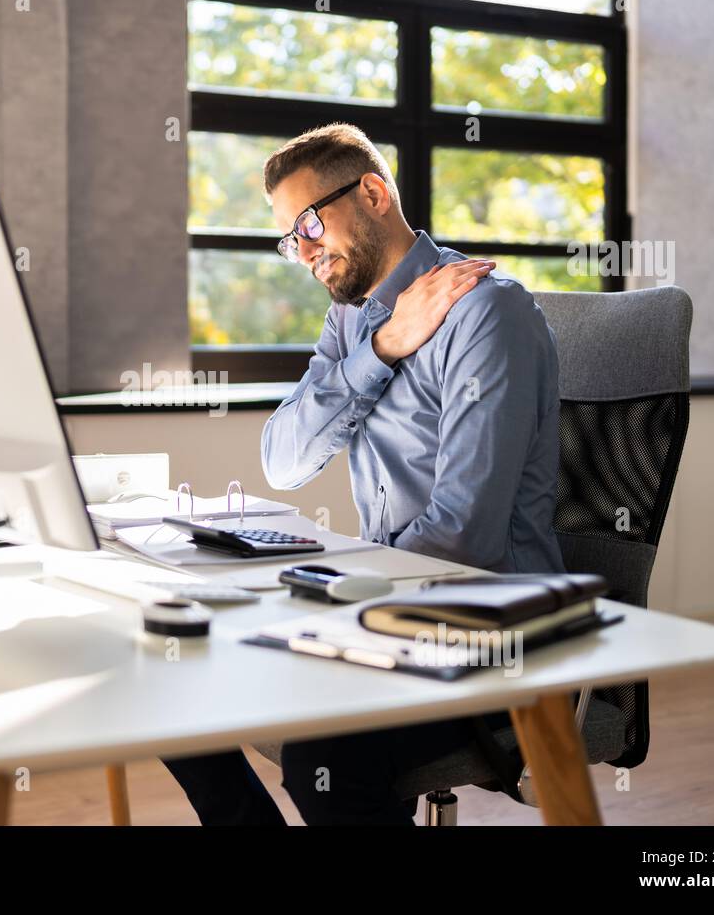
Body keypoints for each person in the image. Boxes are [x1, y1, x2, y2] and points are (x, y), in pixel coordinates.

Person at [163, 123, 565, 825]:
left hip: (486, 630)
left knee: (329, 751)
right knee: (174, 671)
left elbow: (465, 538)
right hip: (385, 612)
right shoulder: (351, 323)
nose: (304, 252)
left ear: (374, 193)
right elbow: (283, 462)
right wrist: (381, 347)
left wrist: (335, 601)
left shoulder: (487, 316)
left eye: (310, 224)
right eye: (290, 239)